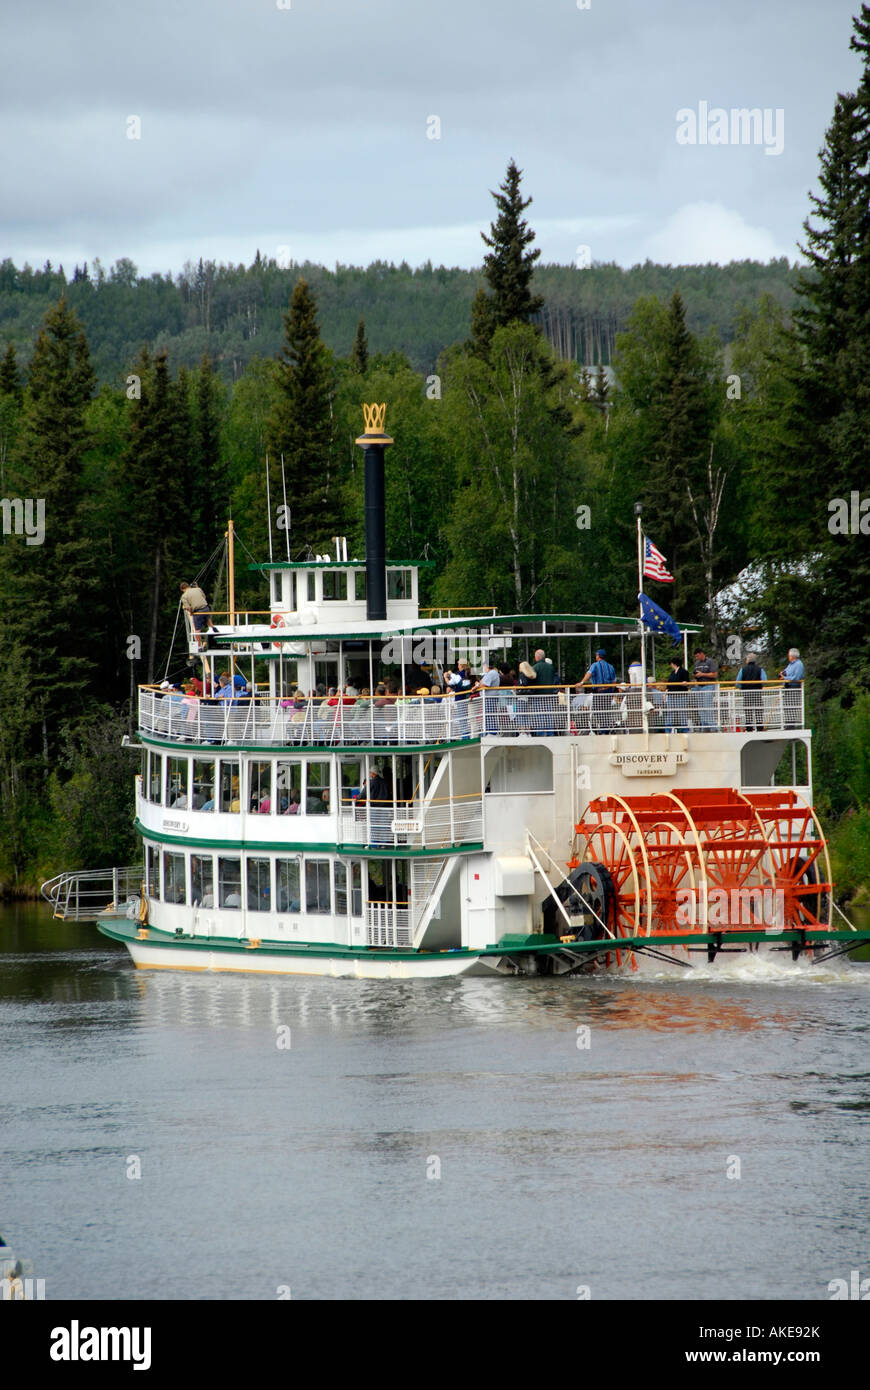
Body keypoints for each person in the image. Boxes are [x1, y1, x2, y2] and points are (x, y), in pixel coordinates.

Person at [578, 648, 617, 733]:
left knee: (598, 710)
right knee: (606, 712)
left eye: (596, 655)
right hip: (609, 692)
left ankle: (603, 730)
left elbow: (589, 673)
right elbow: (614, 681)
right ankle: (605, 729)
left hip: (599, 692)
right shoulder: (611, 666)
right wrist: (611, 691)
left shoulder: (595, 665)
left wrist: (582, 682)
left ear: (598, 656)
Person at [356, 766, 393, 844]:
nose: (369, 774)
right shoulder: (384, 782)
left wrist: (357, 798)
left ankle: (376, 842)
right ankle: (384, 842)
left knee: (374, 825)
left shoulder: (371, 782)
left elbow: (363, 793)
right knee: (384, 825)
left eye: (370, 772)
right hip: (384, 807)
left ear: (373, 773)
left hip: (374, 807)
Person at [736, 651, 767, 732]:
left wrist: (741, 688)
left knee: (748, 711)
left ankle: (749, 728)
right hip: (757, 693)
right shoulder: (760, 669)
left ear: (748, 660)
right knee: (758, 711)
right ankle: (759, 728)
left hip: (747, 693)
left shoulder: (743, 670)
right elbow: (764, 680)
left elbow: (738, 682)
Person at [691, 649, 718, 730]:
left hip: (708, 685)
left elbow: (715, 674)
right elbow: (694, 673)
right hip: (699, 686)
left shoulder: (710, 661)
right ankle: (704, 726)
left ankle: (712, 726)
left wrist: (702, 674)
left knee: (708, 705)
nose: (696, 658)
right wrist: (695, 675)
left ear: (702, 653)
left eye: (697, 656)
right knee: (701, 707)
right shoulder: (696, 663)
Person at [532, 648, 556, 734]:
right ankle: (550, 732)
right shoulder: (551, 667)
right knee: (549, 714)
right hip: (549, 694)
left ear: (537, 657)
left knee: (539, 714)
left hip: (538, 694)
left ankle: (541, 733)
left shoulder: (535, 667)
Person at [472, 660, 500, 734]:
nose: (483, 668)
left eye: (484, 666)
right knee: (489, 715)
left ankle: (491, 732)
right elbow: (483, 683)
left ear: (487, 666)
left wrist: (477, 686)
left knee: (489, 715)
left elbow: (485, 684)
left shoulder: (491, 673)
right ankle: (491, 732)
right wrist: (478, 684)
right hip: (490, 697)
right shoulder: (491, 673)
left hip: (490, 698)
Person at [664, 656, 690, 732]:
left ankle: (684, 729)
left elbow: (687, 682)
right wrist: (666, 692)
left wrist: (685, 683)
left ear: (674, 664)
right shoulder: (672, 673)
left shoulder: (683, 671)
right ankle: (668, 729)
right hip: (671, 695)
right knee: (670, 712)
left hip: (680, 695)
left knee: (682, 712)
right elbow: (669, 684)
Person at [780, 647, 805, 728]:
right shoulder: (790, 664)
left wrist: (785, 678)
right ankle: (788, 724)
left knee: (792, 706)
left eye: (789, 655)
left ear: (793, 656)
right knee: (787, 706)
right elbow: (786, 672)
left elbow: (796, 677)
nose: (788, 656)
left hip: (794, 687)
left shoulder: (799, 664)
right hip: (788, 687)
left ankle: (791, 725)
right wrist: (782, 674)